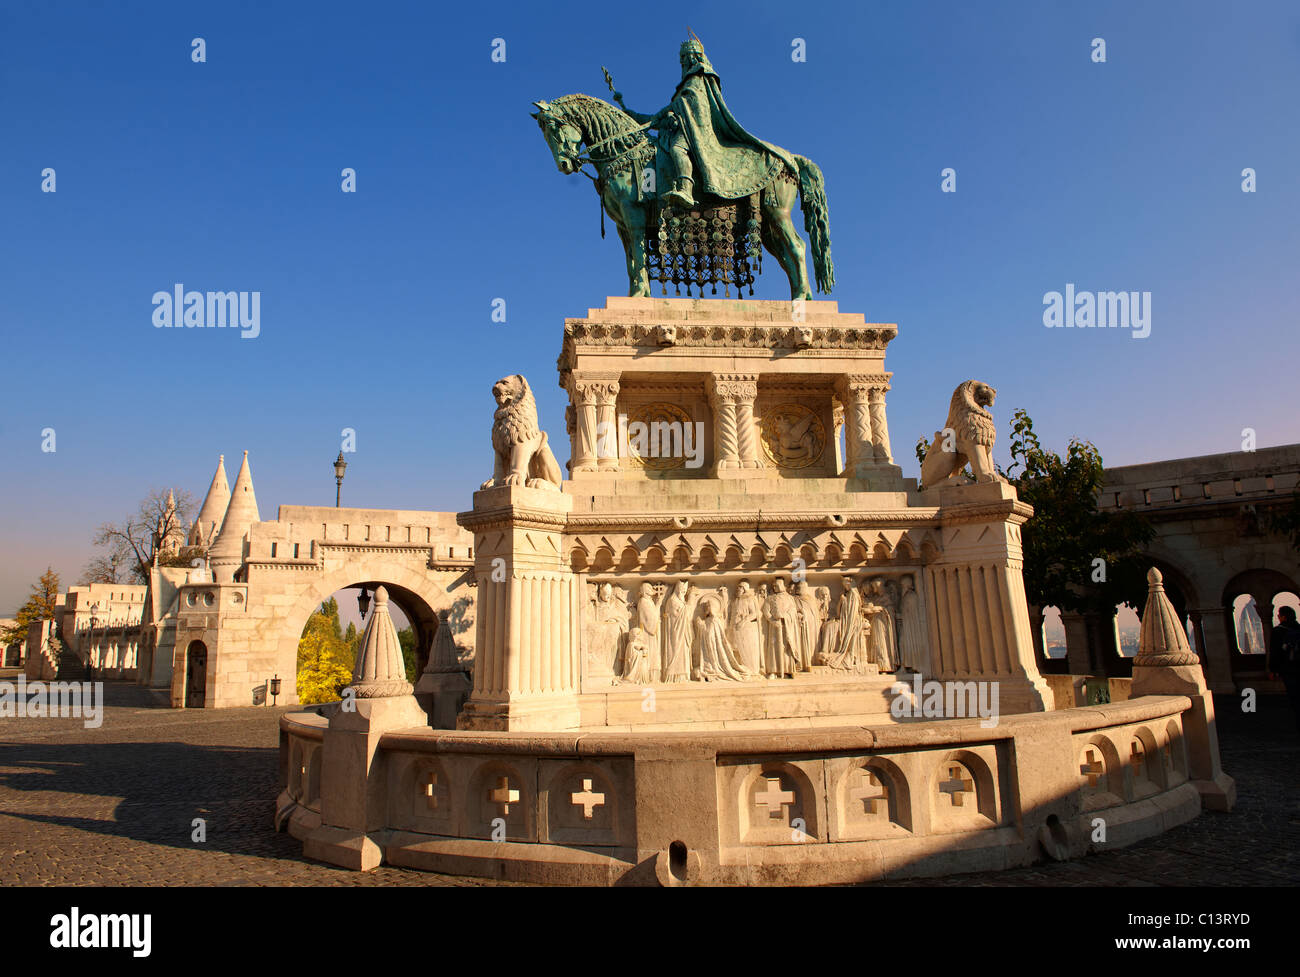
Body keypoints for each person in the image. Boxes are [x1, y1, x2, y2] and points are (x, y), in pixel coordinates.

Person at [614, 38, 795, 211]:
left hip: (697, 130)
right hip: (685, 127)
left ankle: (685, 188)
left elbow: (690, 104)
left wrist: (668, 113)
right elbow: (674, 110)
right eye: (681, 59)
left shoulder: (698, 78)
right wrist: (636, 116)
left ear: (694, 56)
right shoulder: (688, 82)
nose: (683, 62)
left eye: (685, 58)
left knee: (678, 149)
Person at [1269, 605, 1300, 733]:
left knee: (1295, 697)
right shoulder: (1299, 628)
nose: (1277, 617)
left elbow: (1275, 652)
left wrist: (1272, 670)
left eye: (1279, 615)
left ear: (1283, 617)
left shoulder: (1278, 631)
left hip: (1288, 669)